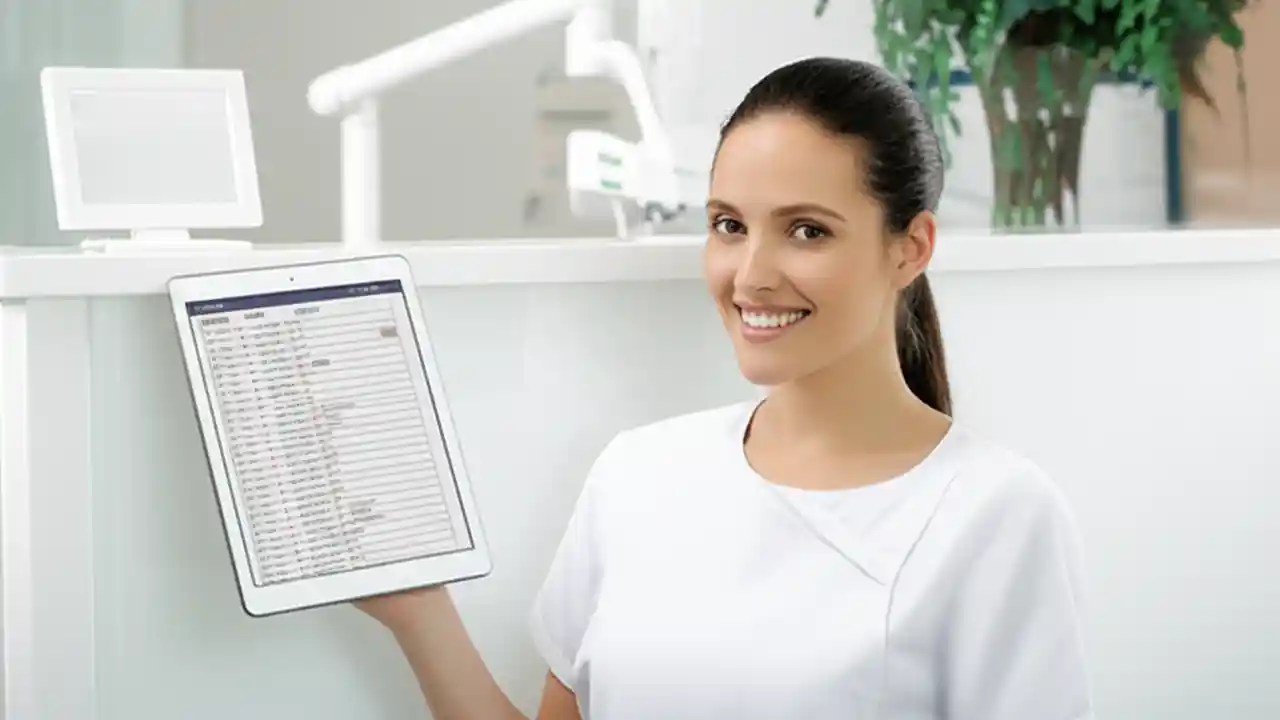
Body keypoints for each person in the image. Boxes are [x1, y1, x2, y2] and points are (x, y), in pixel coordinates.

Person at [357, 56, 1093, 720]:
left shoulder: (996, 515)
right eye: (729, 225)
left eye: (807, 230)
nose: (751, 275)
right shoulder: (636, 473)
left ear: (912, 247)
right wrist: (419, 612)